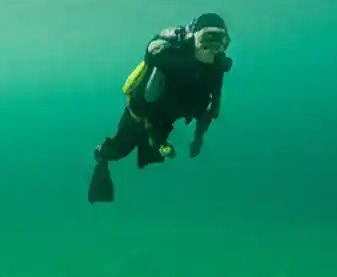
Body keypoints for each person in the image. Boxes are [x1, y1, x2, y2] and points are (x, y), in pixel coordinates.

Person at [88, 13, 233, 203]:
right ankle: (101, 158)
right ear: (194, 37)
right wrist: (172, 38)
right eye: (207, 39)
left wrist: (198, 139)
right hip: (139, 117)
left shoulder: (215, 67)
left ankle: (155, 151)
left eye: (221, 41)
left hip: (166, 119)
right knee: (119, 150)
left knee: (155, 155)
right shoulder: (171, 55)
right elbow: (151, 54)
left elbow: (213, 104)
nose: (213, 48)